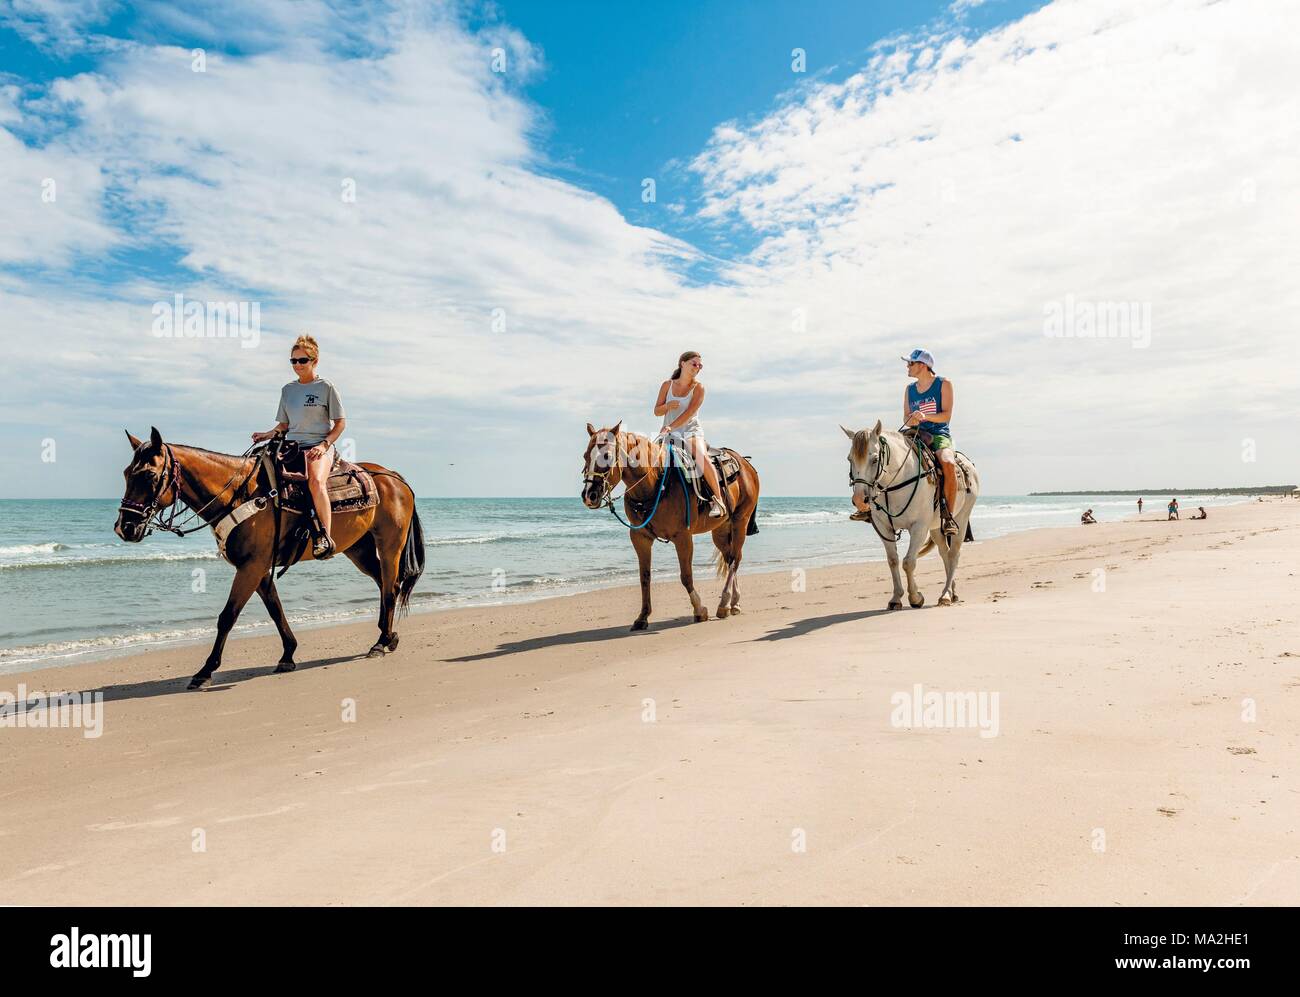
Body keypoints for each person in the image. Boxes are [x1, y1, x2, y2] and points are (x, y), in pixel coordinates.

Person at [252, 335, 347, 558]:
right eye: (293, 361)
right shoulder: (287, 390)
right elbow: (284, 425)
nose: (297, 365)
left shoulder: (326, 387)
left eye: (302, 360)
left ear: (315, 361)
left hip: (318, 445)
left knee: (315, 481)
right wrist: (266, 434)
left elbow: (340, 423)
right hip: (292, 446)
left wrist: (324, 446)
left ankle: (325, 537)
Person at [654, 351, 726, 517]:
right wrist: (667, 407)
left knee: (701, 457)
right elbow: (657, 411)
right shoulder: (667, 385)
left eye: (700, 365)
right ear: (682, 363)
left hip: (690, 431)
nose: (697, 367)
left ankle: (718, 501)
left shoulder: (699, 388)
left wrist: (670, 427)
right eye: (694, 363)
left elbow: (689, 413)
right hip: (669, 432)